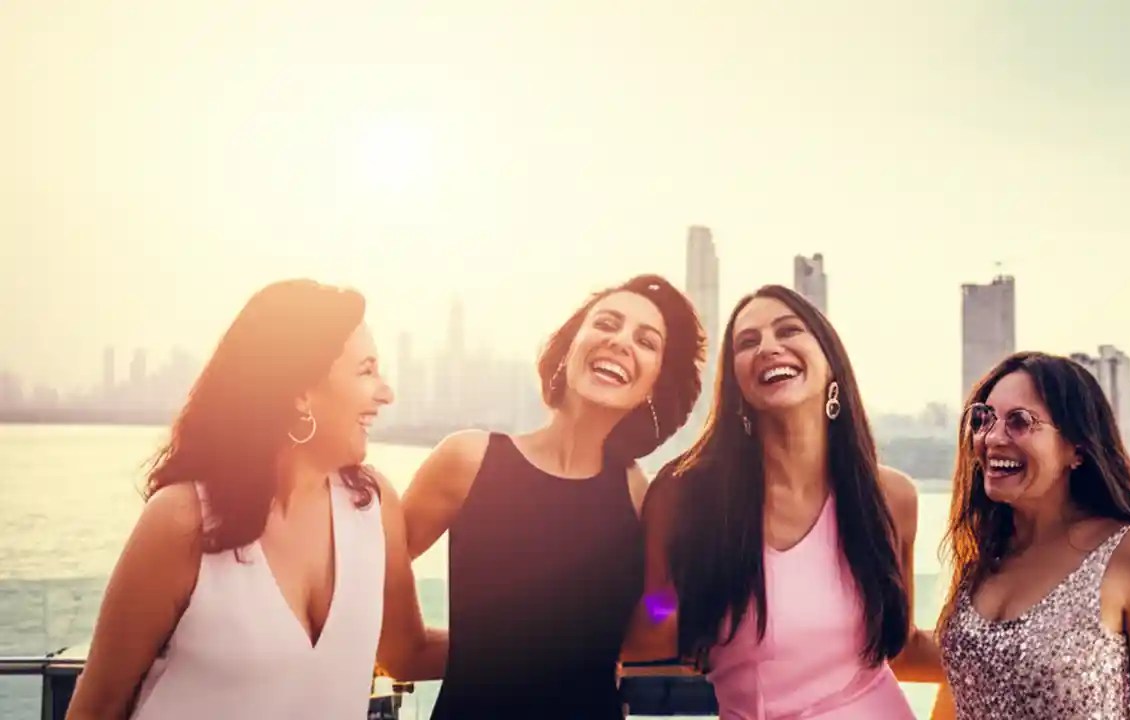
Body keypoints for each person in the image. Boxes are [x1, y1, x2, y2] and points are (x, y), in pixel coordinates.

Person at [67, 279, 447, 720]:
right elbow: (96, 709)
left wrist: (536, 637)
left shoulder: (373, 508)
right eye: (366, 370)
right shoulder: (182, 521)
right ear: (300, 392)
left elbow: (408, 653)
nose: (386, 393)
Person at [401, 273, 705, 719]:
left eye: (646, 341)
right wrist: (429, 647)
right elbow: (369, 582)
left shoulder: (643, 498)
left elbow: (657, 622)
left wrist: (662, 601)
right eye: (606, 323)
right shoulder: (468, 459)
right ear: (569, 347)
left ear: (654, 387)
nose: (620, 342)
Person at [635, 285, 937, 719]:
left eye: (789, 330)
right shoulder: (686, 495)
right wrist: (662, 602)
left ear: (830, 361)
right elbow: (654, 615)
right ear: (735, 382)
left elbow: (901, 645)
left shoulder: (891, 497)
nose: (769, 348)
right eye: (748, 341)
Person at [934, 351, 1130, 719]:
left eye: (1019, 422)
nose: (992, 437)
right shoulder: (982, 552)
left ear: (1077, 448)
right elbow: (960, 689)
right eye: (983, 418)